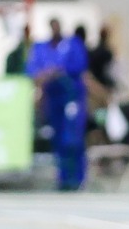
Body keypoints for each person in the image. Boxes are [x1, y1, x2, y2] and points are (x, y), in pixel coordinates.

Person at [27, 19, 89, 191]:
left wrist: (59, 71)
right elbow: (32, 69)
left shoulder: (72, 45)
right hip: (53, 98)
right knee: (58, 139)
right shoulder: (41, 47)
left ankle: (77, 178)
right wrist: (43, 75)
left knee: (73, 139)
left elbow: (79, 66)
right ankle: (63, 179)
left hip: (72, 97)